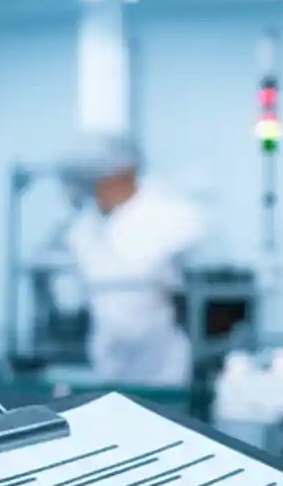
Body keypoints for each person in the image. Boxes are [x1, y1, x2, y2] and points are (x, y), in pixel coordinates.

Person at [60, 134, 205, 387]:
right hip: (107, 360)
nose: (96, 188)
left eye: (101, 177)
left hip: (163, 365)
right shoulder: (83, 229)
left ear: (126, 173)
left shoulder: (172, 216)